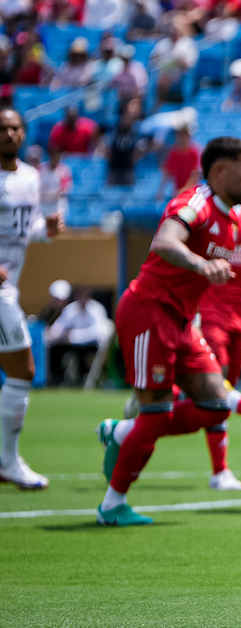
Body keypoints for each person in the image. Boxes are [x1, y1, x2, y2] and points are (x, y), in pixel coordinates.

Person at [92, 137, 241, 525]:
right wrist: (202, 265)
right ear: (221, 171)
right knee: (155, 411)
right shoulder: (195, 203)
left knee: (217, 404)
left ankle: (123, 432)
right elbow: (165, 242)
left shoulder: (231, 218)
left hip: (183, 322)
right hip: (149, 313)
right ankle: (112, 505)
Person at [0, 108, 64, 489]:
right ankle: (7, 461)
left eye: (14, 128)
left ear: (24, 134)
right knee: (22, 370)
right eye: (2, 129)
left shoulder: (29, 177)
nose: (9, 134)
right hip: (1, 292)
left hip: (11, 286)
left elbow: (28, 227)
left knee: (18, 372)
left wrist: (47, 229)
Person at [44, 286, 110, 386]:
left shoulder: (97, 309)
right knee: (56, 350)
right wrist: (51, 334)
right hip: (73, 345)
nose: (82, 300)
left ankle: (86, 379)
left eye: (85, 297)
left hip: (92, 345)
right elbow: (59, 327)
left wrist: (73, 336)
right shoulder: (70, 309)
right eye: (80, 297)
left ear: (88, 298)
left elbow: (98, 332)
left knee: (85, 356)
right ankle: (57, 379)